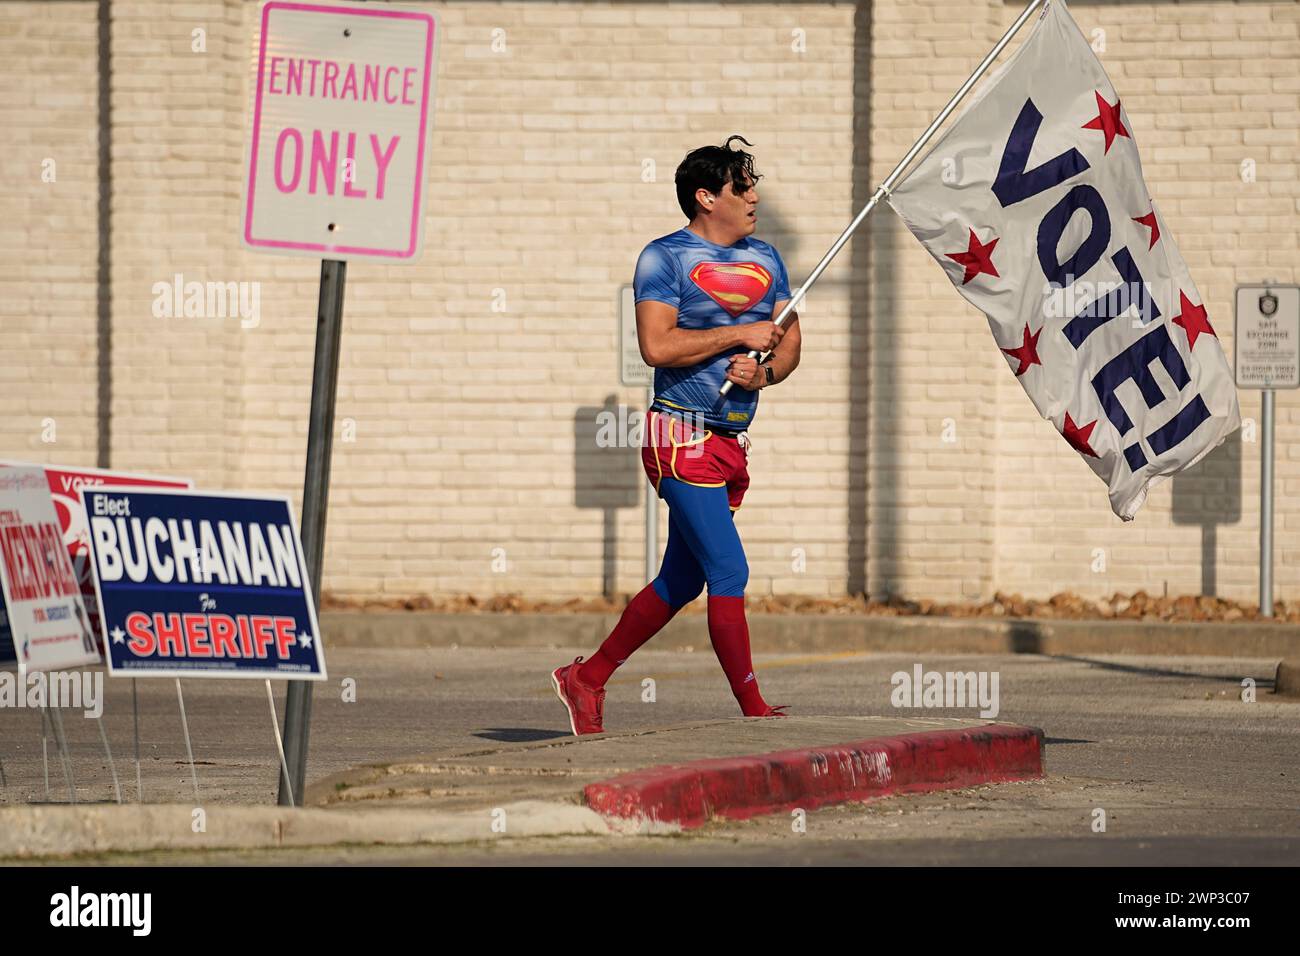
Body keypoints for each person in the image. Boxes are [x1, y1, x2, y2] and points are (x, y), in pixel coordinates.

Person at [552, 134, 802, 735]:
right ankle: (753, 712)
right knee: (729, 572)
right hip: (680, 433)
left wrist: (762, 372)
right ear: (705, 197)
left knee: (682, 578)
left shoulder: (767, 258)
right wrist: (736, 337)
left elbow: (789, 343)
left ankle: (586, 678)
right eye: (743, 187)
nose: (755, 197)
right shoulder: (663, 258)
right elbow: (656, 346)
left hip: (731, 440)